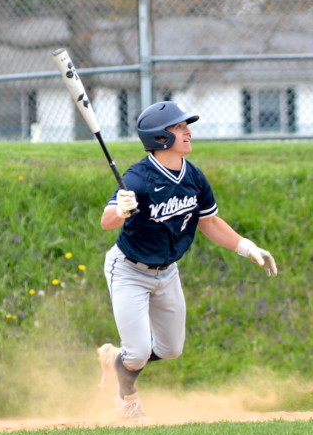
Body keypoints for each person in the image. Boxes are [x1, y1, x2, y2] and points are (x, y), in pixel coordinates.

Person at [98, 101, 278, 419]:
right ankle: (127, 401)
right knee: (138, 352)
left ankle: (115, 360)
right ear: (160, 137)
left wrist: (248, 247)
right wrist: (121, 209)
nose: (188, 131)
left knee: (171, 349)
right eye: (179, 127)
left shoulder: (193, 176)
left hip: (166, 272)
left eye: (185, 126)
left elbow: (209, 222)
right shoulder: (138, 178)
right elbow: (107, 221)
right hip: (128, 270)